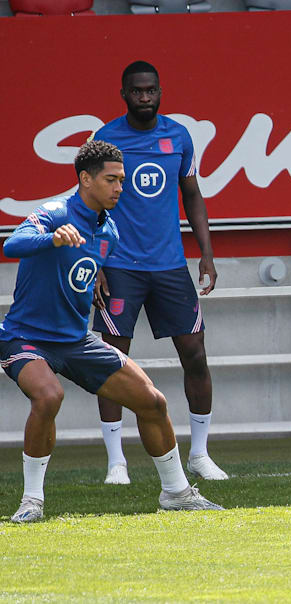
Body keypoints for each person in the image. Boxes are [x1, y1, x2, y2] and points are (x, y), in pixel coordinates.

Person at [3, 140, 222, 523]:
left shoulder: (110, 232)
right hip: (26, 337)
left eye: (122, 179)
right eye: (111, 179)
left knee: (152, 401)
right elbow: (13, 244)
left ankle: (177, 493)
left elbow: (81, 273)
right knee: (49, 396)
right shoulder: (54, 213)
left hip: (76, 340)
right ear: (85, 179)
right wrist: (52, 239)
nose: (120, 187)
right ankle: (32, 502)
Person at [90, 61, 225, 485]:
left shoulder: (179, 136)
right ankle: (116, 462)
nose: (145, 97)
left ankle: (199, 454)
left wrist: (206, 253)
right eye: (137, 91)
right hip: (119, 267)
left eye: (151, 90)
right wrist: (94, 262)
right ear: (124, 94)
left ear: (161, 92)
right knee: (111, 362)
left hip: (169, 266)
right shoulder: (105, 140)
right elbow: (89, 204)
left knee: (195, 353)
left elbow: (192, 195)